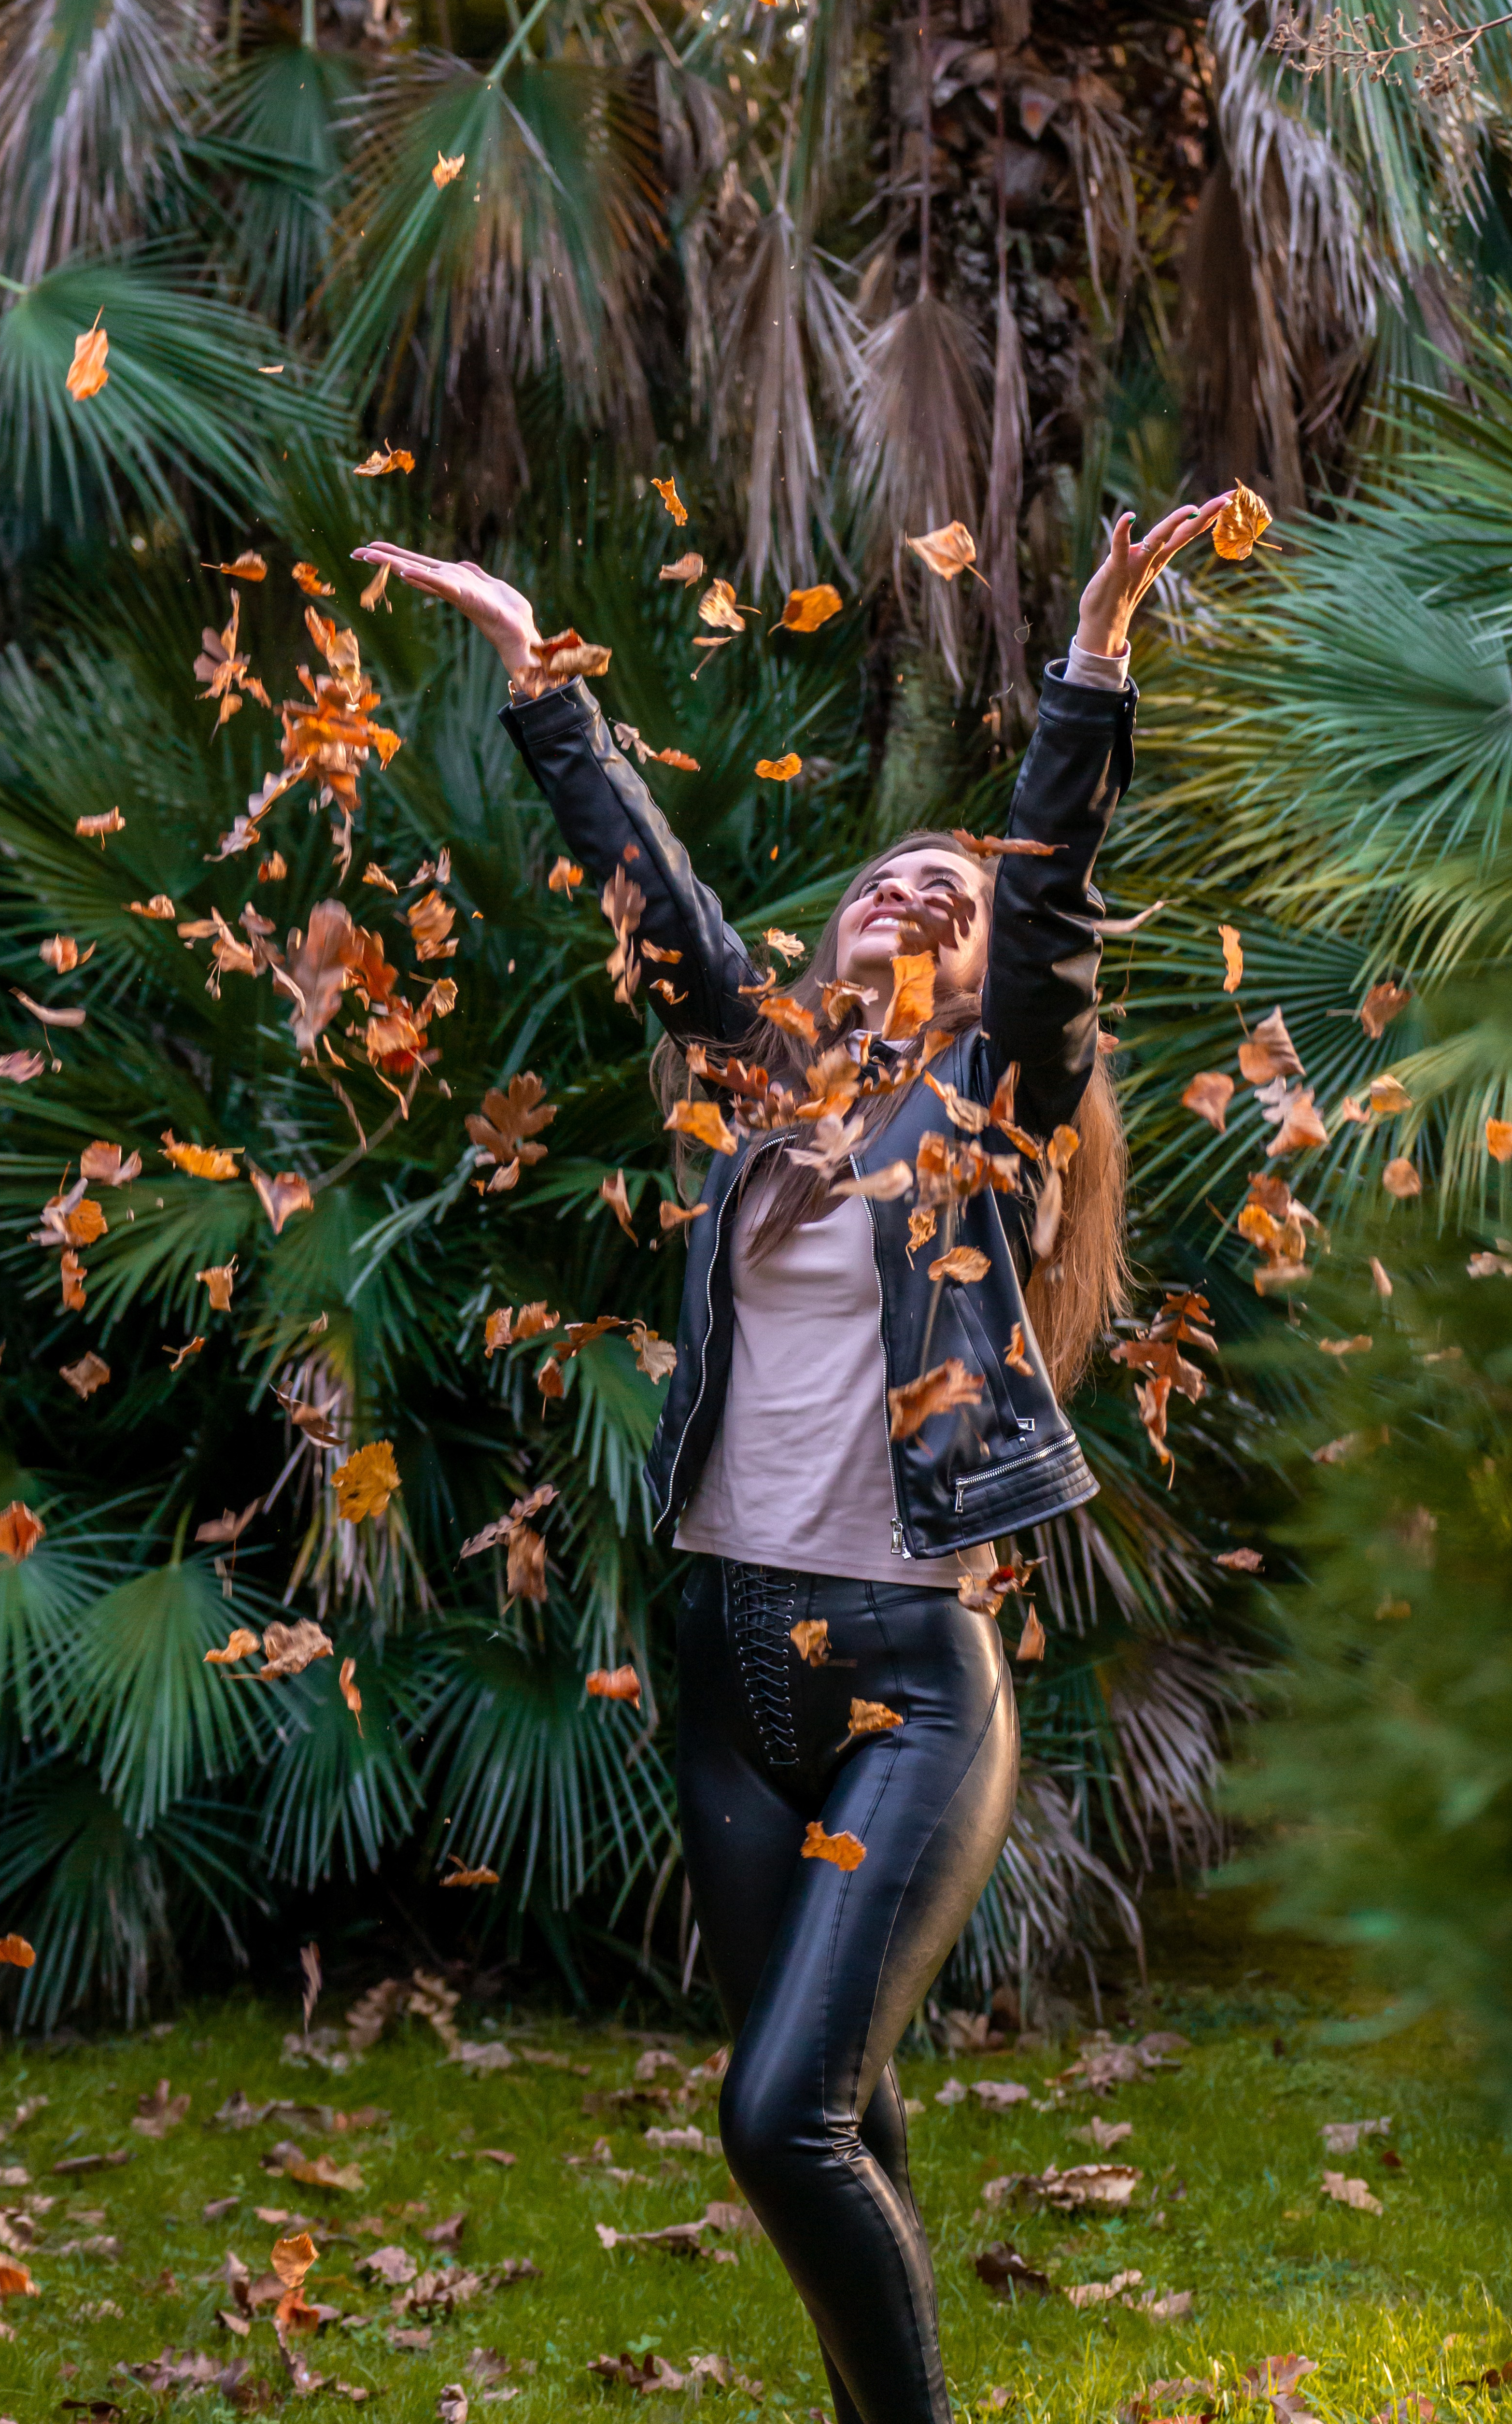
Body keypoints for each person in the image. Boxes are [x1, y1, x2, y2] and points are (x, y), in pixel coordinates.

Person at [354, 496, 1228, 2424]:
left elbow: (1055, 908)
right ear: (828, 944)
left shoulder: (991, 1108)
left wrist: (1096, 642)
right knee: (849, 2110)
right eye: (886, 879)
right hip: (731, 1687)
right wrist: (538, 673)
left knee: (776, 2120)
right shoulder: (767, 1096)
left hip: (907, 1689)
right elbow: (659, 914)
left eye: (955, 888)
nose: (917, 892)